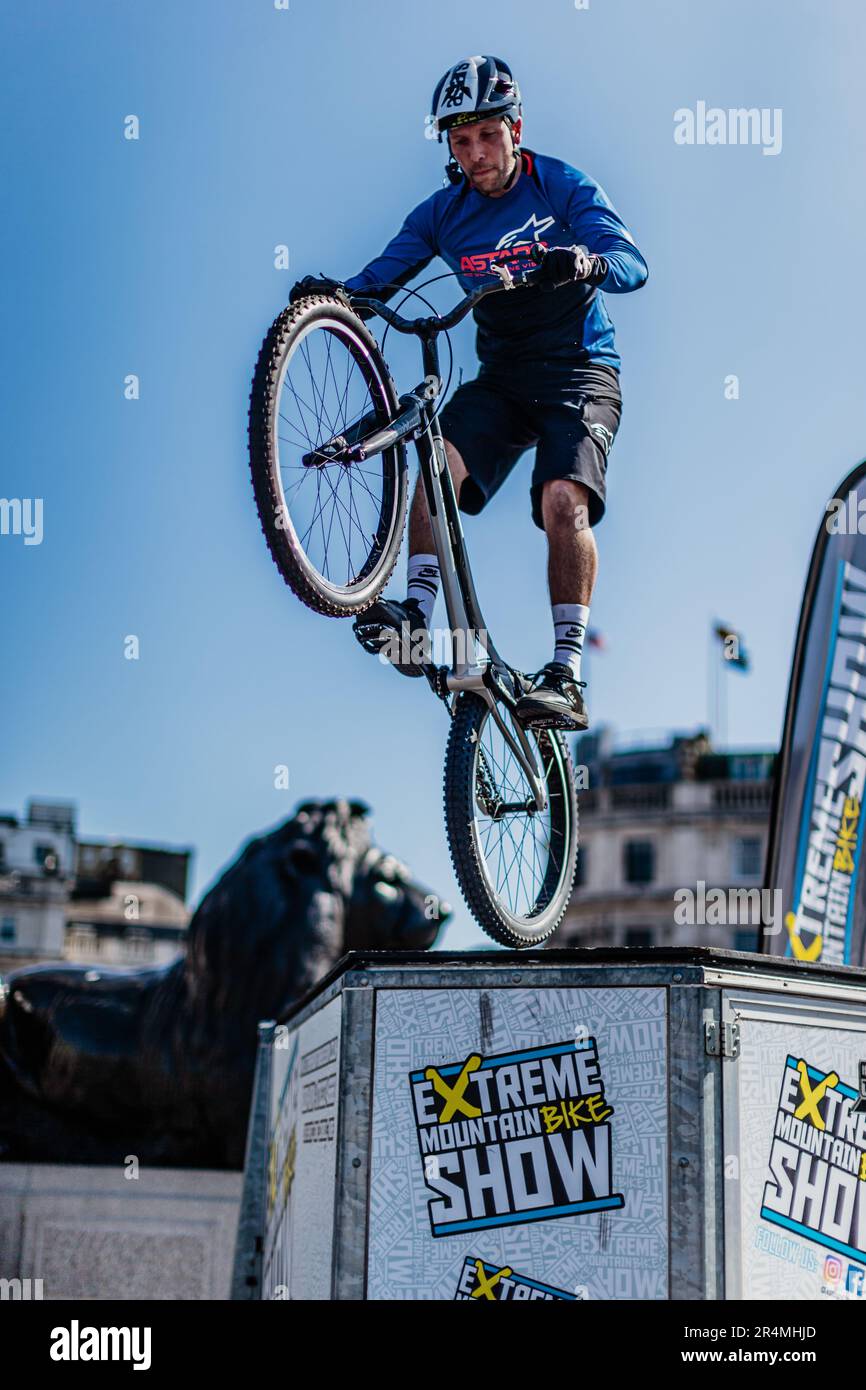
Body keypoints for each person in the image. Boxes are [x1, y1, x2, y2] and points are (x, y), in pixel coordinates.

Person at [289, 55, 648, 730]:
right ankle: (417, 620)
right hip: (503, 378)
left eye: (488, 135)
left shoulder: (560, 185)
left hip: (580, 370)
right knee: (434, 468)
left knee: (562, 498)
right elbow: (377, 282)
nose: (477, 154)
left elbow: (634, 264)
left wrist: (588, 260)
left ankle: (566, 674)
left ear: (516, 129)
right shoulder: (442, 215)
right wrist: (333, 300)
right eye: (461, 141)